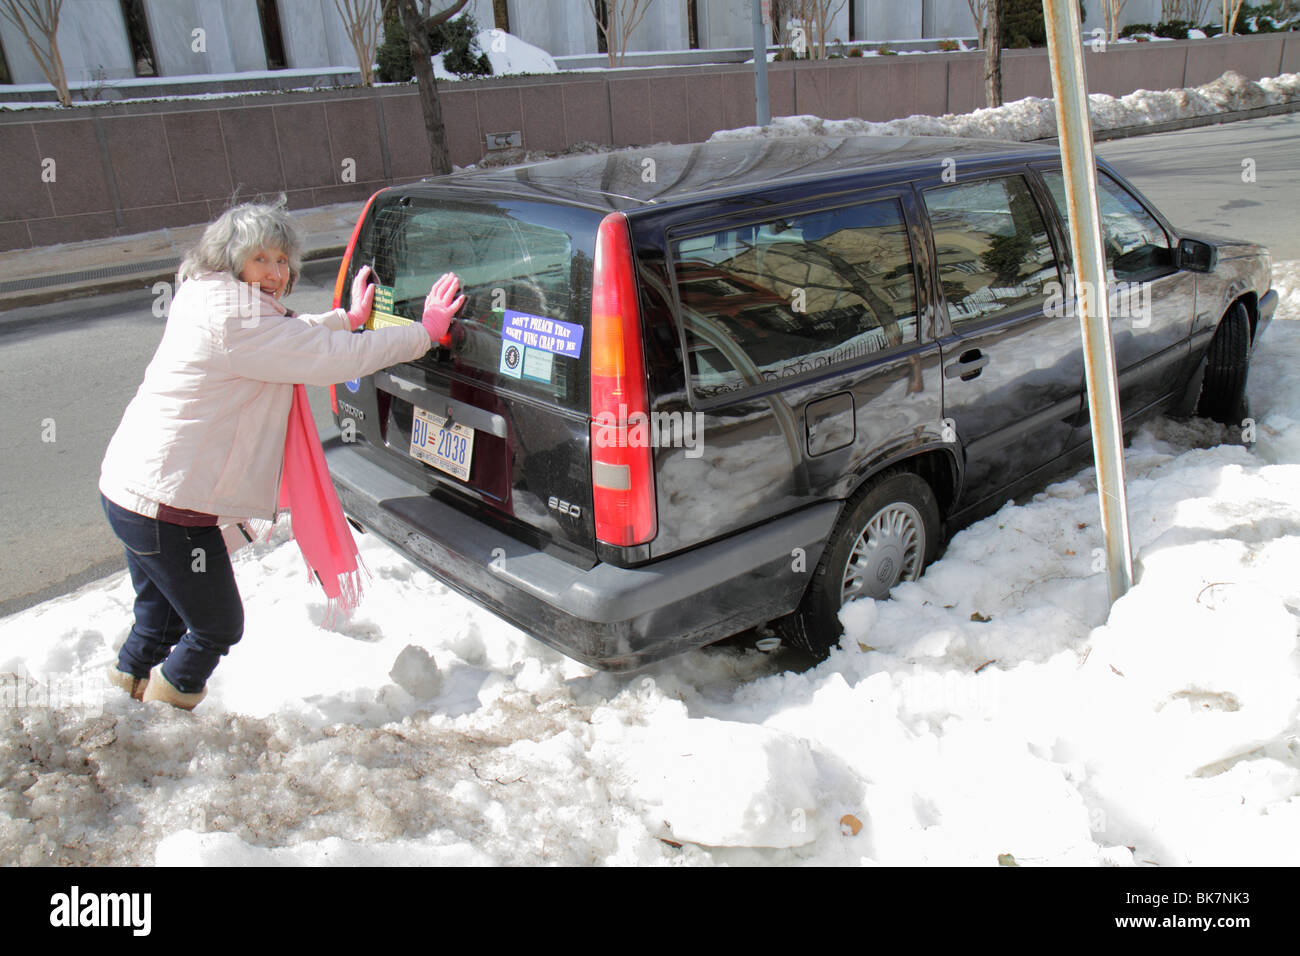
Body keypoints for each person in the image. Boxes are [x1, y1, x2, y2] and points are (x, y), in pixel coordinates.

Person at [98, 199, 464, 710]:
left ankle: (121, 697)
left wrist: (347, 317)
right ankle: (163, 722)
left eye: (282, 260)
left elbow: (290, 333)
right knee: (216, 627)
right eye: (260, 260)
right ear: (231, 261)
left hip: (130, 490)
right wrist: (423, 334)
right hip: (167, 506)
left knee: (159, 619)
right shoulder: (237, 321)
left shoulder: (211, 297)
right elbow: (329, 357)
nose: (275, 273)